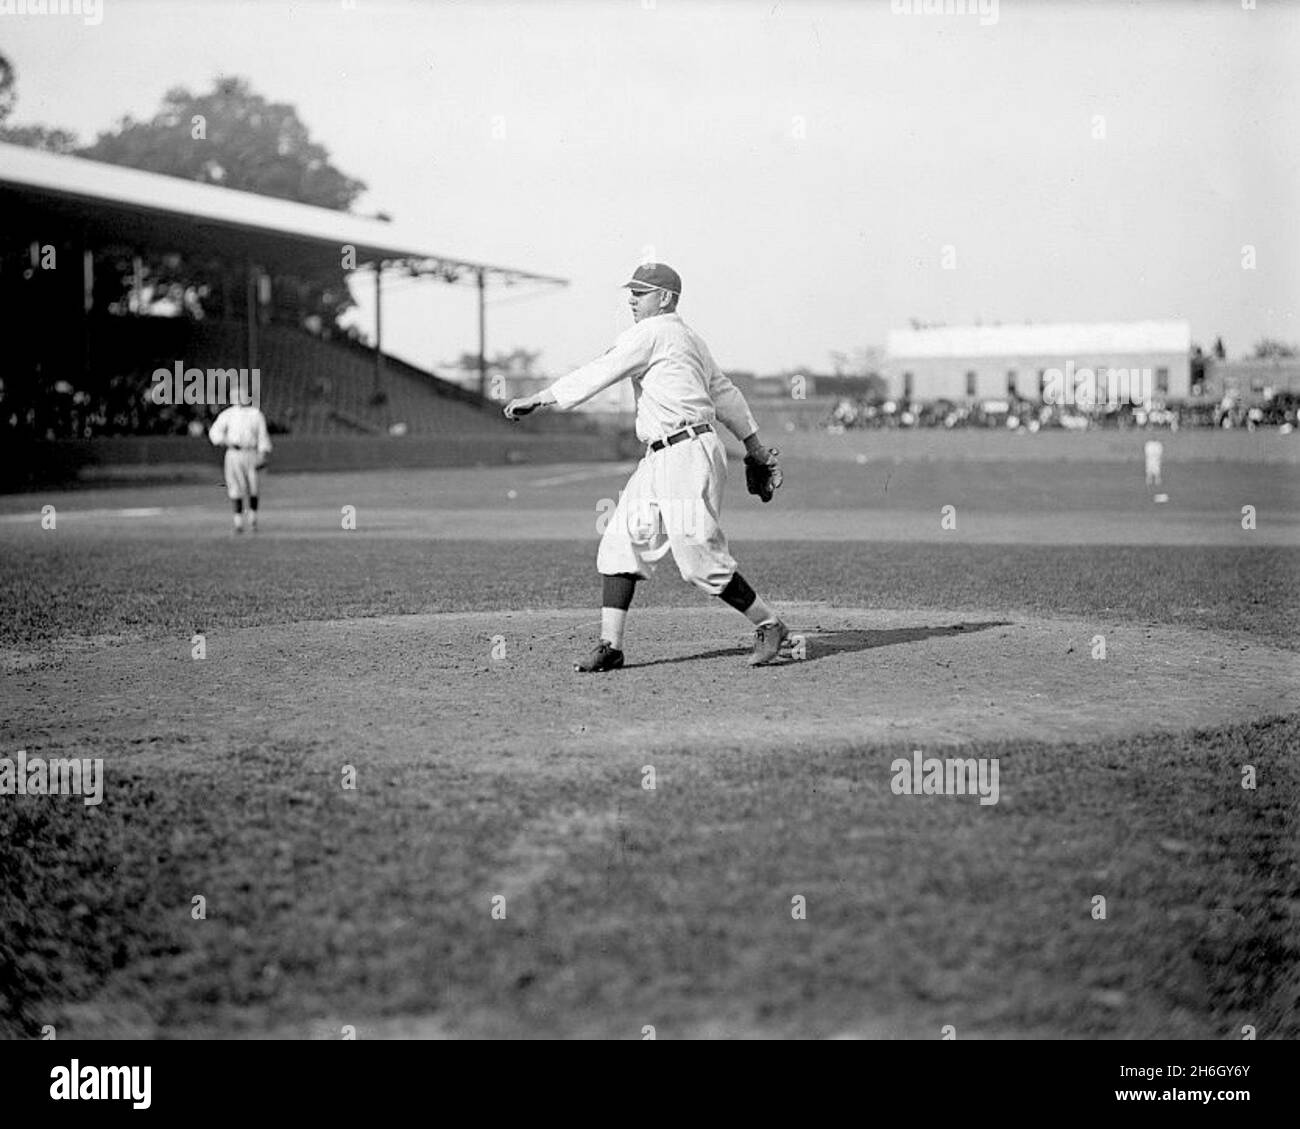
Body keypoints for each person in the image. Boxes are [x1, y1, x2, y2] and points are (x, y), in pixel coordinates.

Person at [504, 262, 789, 670]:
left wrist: (544, 396)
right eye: (631, 291)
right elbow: (727, 396)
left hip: (687, 454)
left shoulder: (652, 332)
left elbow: (602, 370)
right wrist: (754, 447)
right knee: (622, 541)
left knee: (698, 560)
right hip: (661, 456)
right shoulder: (689, 339)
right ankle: (610, 645)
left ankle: (769, 624)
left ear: (666, 298)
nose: (632, 299)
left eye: (641, 292)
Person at [208, 390, 272, 533]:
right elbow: (214, 433)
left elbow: (262, 436)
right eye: (236, 396)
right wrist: (224, 440)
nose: (239, 398)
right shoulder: (228, 414)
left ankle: (253, 519)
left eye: (241, 395)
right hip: (234, 453)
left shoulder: (255, 414)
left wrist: (262, 453)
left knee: (253, 486)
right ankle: (238, 522)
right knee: (235, 486)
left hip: (250, 452)